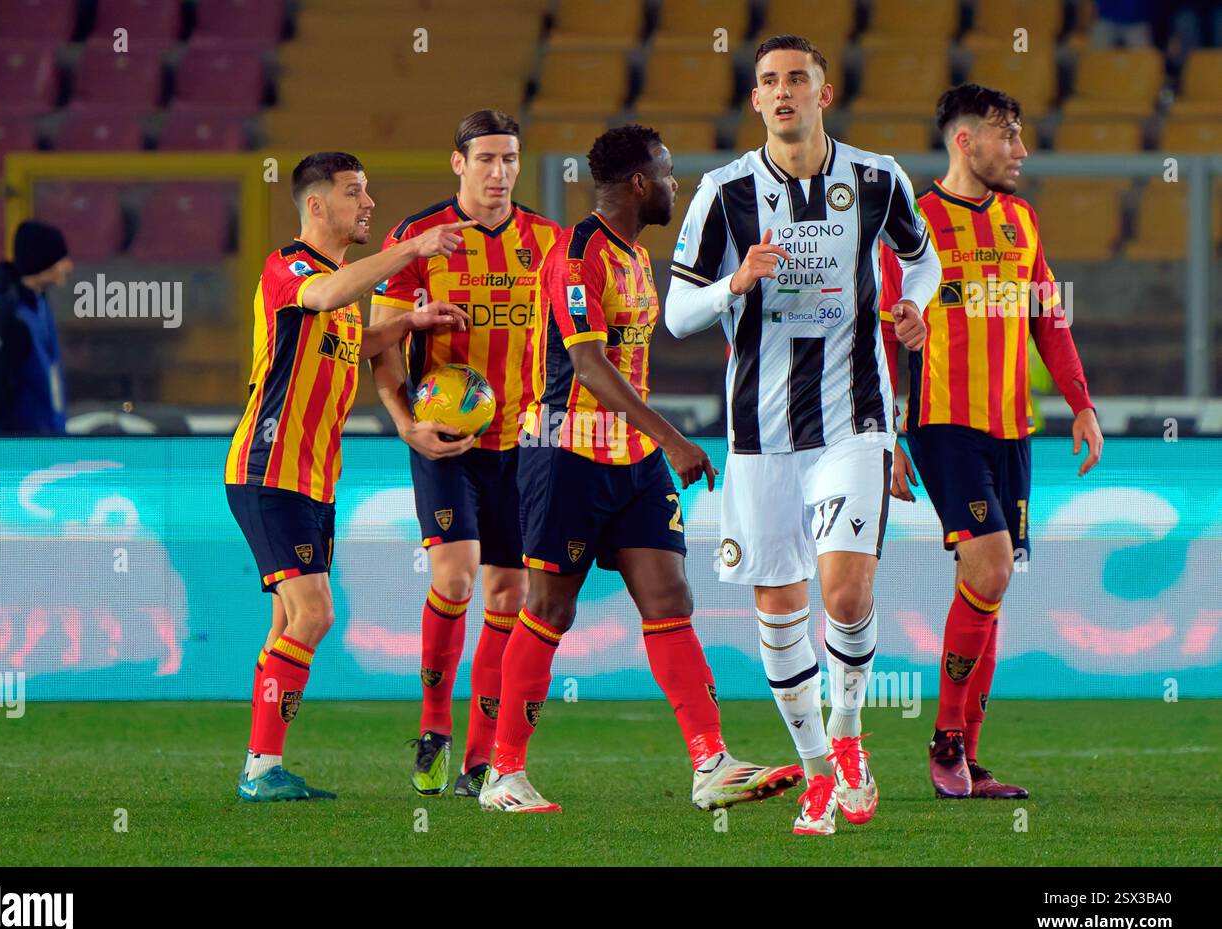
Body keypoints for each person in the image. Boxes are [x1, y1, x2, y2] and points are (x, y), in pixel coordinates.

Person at [479, 125, 803, 814]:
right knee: (548, 608)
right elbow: (590, 366)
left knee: (670, 598)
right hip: (565, 454)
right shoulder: (577, 256)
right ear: (637, 184)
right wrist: (676, 440)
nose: (675, 182)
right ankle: (503, 774)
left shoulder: (632, 254)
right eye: (667, 170)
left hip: (632, 461)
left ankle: (711, 764)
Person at [664, 35, 940, 835]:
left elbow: (919, 262)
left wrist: (917, 305)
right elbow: (674, 314)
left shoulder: (878, 176)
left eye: (798, 79)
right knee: (779, 608)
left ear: (824, 92)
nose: (783, 92)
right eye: (769, 82)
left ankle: (850, 737)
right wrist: (734, 283)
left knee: (845, 591)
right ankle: (818, 771)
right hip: (759, 433)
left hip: (854, 419)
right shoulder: (723, 192)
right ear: (755, 101)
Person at [878, 83, 1103, 799]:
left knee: (988, 589)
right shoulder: (913, 221)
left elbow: (1049, 320)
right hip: (945, 424)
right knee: (992, 569)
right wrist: (888, 430)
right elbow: (884, 329)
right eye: (1009, 133)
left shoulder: (1021, 220)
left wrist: (1081, 404)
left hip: (1013, 430)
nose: (1022, 150)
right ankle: (946, 739)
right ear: (965, 141)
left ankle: (969, 761)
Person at [225, 152, 471, 802]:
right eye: (354, 192)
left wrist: (408, 324)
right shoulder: (294, 269)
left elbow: (344, 346)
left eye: (368, 190)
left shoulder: (334, 284)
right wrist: (413, 246)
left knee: (287, 622)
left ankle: (260, 763)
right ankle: (260, 770)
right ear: (316, 205)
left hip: (312, 479)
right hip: (268, 468)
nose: (368, 203)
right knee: (314, 612)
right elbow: (330, 296)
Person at [369, 110, 561, 798]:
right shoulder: (418, 242)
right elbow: (376, 345)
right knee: (455, 579)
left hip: (524, 446)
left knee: (509, 593)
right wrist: (404, 423)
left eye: (509, 159)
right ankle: (433, 727)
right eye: (485, 159)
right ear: (458, 163)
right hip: (443, 438)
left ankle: (481, 759)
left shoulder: (547, 242)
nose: (500, 172)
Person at [0, 220, 74, 436]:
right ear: (42, 262)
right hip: (16, 456)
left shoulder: (38, 306)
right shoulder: (2, 319)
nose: (68, 266)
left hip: (43, 447)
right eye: (60, 259)